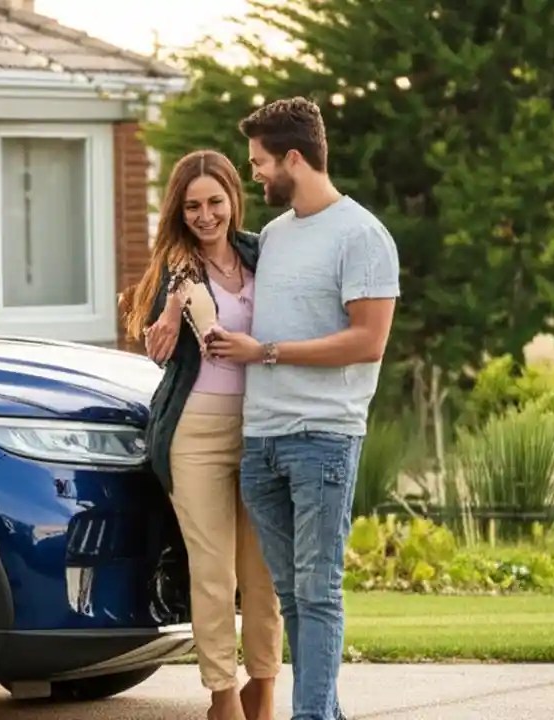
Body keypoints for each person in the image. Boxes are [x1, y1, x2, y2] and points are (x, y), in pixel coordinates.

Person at [206, 97, 400, 720]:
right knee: (291, 594)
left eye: (260, 162)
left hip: (322, 439)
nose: (254, 173)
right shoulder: (275, 237)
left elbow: (367, 340)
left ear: (294, 158)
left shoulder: (362, 235)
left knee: (317, 592)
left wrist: (265, 351)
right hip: (261, 440)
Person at [125, 149, 283, 720]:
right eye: (192, 205)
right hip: (194, 433)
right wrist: (170, 313)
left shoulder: (263, 253)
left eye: (215, 201)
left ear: (233, 199)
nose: (205, 215)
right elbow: (186, 292)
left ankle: (262, 690)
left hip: (262, 429)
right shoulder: (181, 265)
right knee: (213, 571)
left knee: (263, 572)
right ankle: (223, 698)